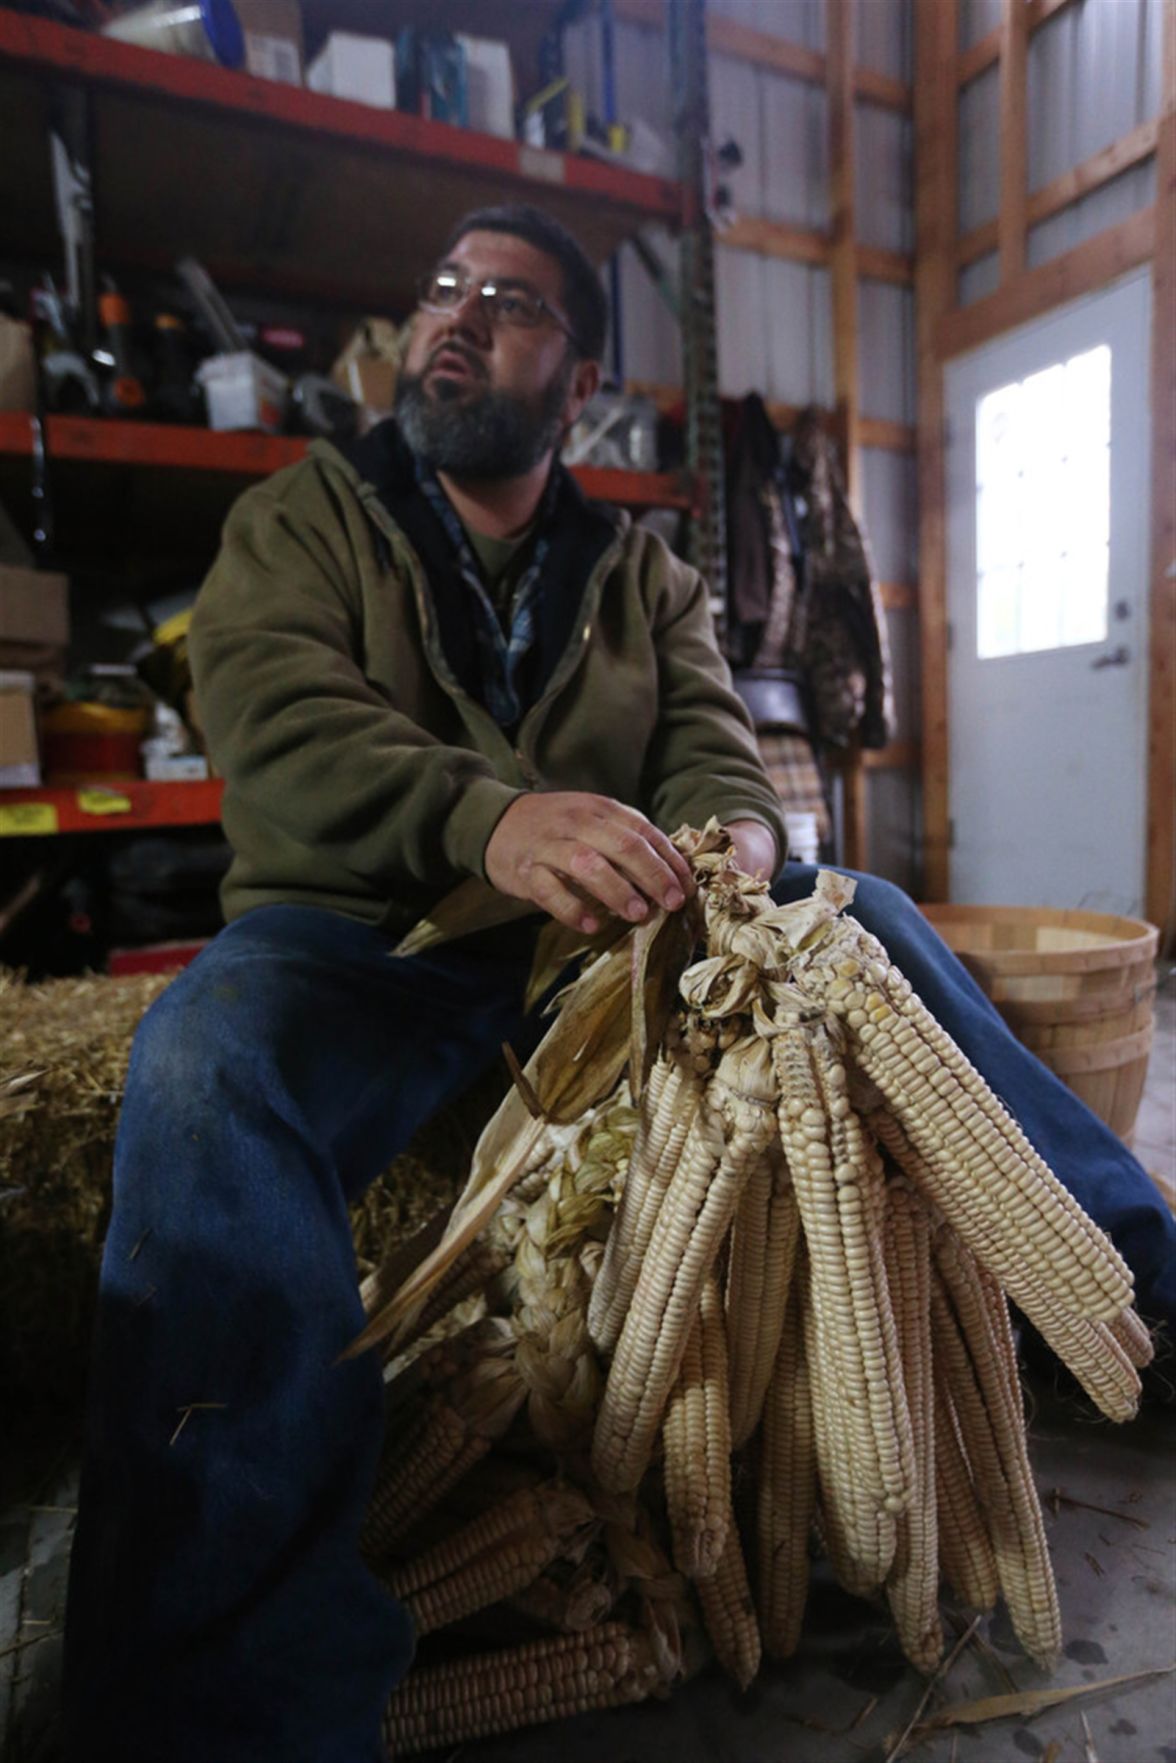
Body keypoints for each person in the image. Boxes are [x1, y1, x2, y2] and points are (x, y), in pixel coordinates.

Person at [62, 204, 1175, 1762]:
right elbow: (272, 709)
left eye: (507, 301)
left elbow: (716, 740)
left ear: (572, 380)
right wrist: (489, 819)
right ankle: (229, 1666)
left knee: (868, 915)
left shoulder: (638, 574)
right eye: (442, 285)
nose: (456, 314)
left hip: (604, 967)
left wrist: (733, 830)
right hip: (370, 948)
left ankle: (1140, 1293)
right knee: (206, 1058)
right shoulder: (307, 518)